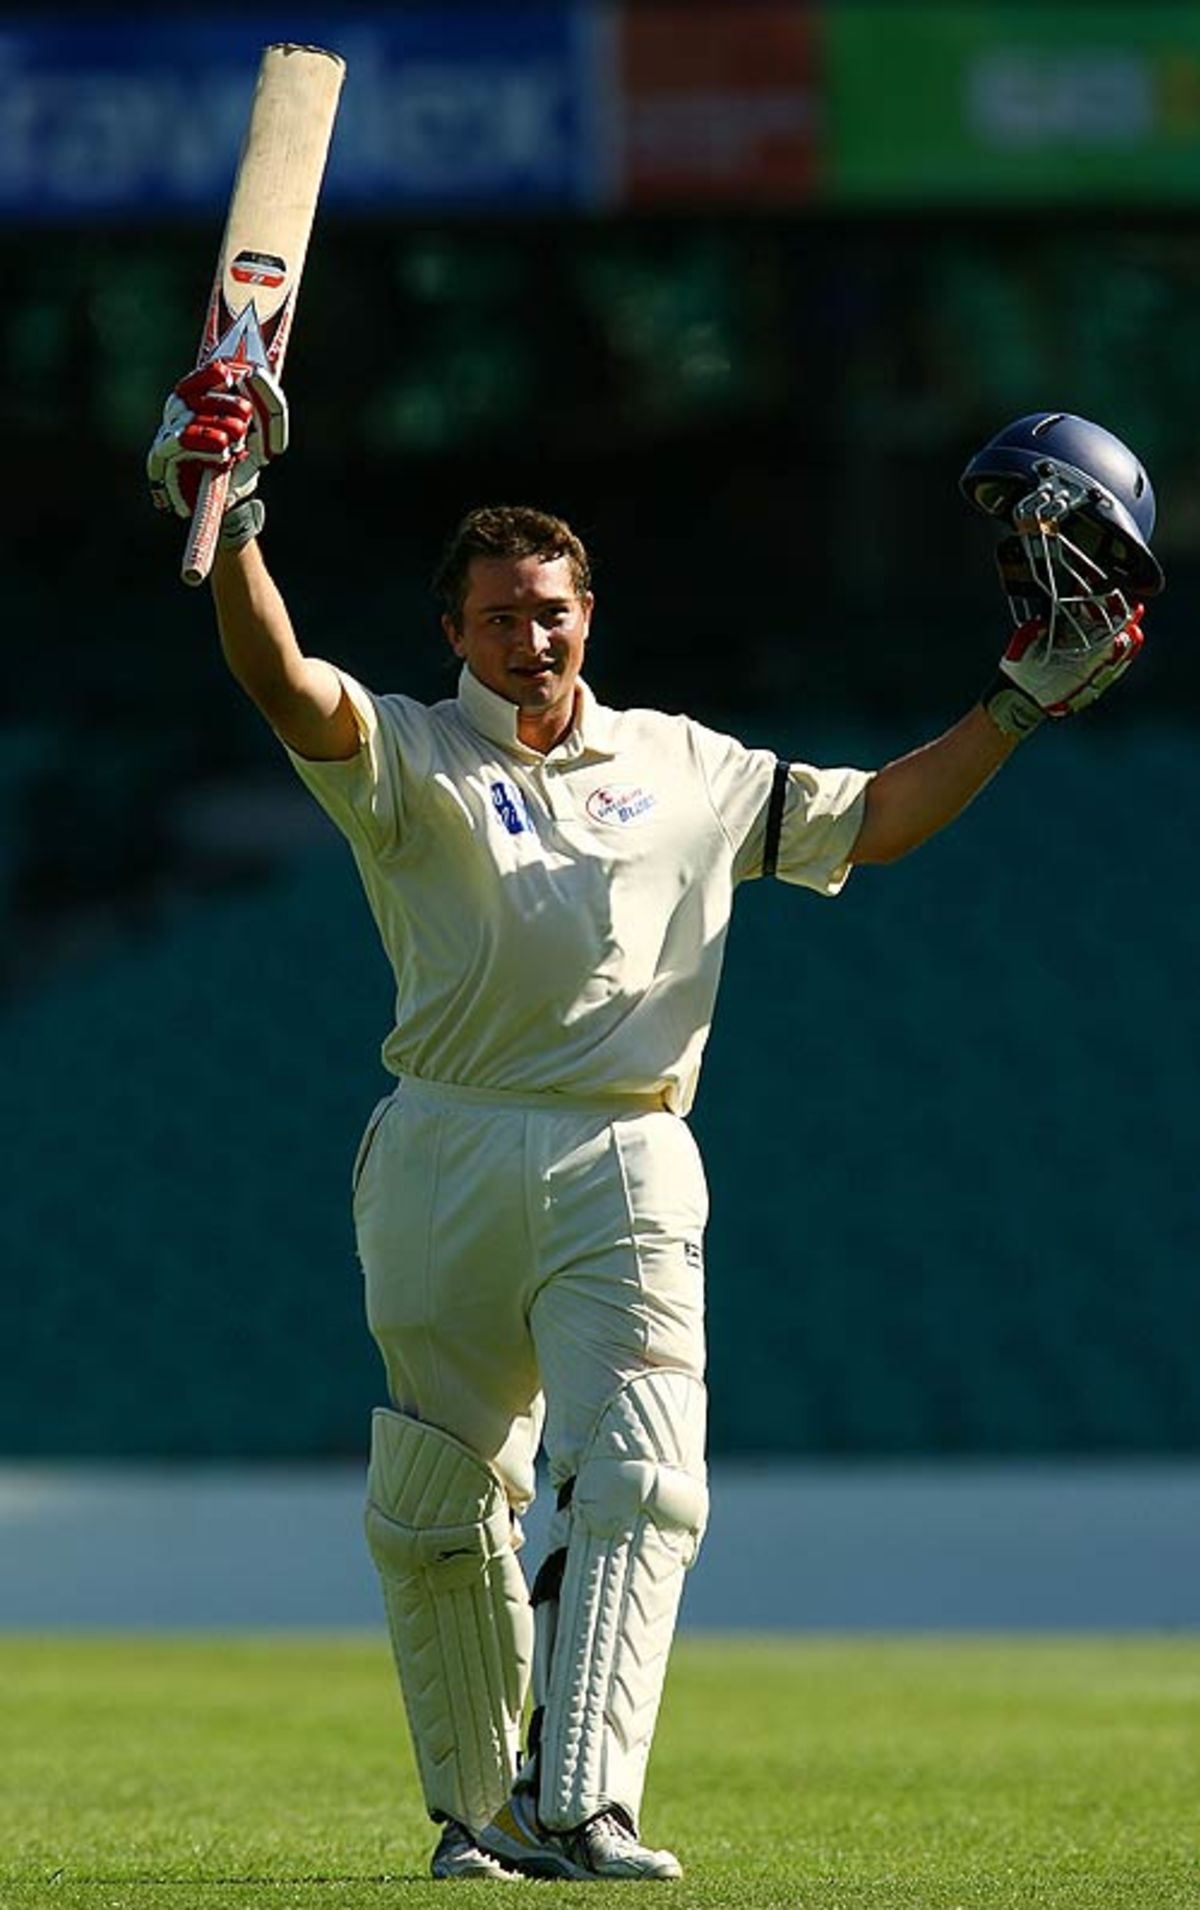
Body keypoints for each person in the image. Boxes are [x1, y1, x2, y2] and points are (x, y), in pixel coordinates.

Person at [147, 371, 1160, 1882]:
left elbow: (876, 820)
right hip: (442, 1145)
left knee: (641, 1474)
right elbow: (283, 678)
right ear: (455, 632)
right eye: (501, 617)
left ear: (589, 614)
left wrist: (1011, 708)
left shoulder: (687, 764)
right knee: (438, 1502)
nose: (532, 638)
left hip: (626, 1149)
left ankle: (584, 1803)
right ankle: (477, 1817)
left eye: (552, 611)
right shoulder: (410, 754)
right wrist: (230, 524)